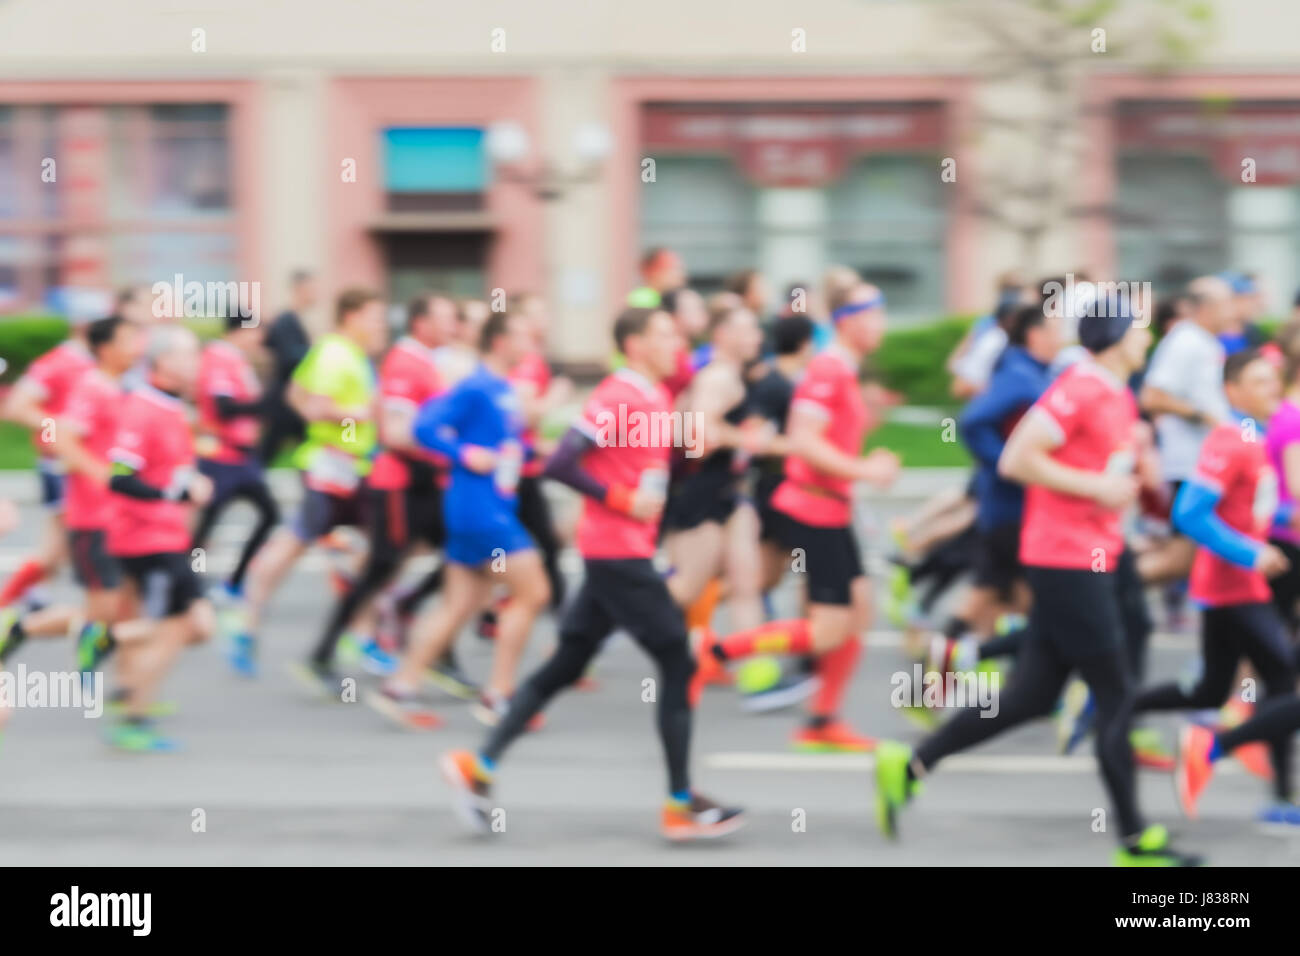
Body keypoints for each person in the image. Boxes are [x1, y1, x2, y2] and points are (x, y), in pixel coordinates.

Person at [874, 300, 1202, 866]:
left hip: (1098, 553)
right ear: (1118, 336)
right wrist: (1094, 488)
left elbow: (1111, 475)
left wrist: (1127, 502)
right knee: (1116, 693)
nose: (1147, 340)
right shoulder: (1081, 386)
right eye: (1141, 331)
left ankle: (910, 764)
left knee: (1032, 696)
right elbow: (1019, 459)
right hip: (1066, 560)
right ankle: (1133, 840)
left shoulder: (1118, 393)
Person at [439, 305, 745, 840]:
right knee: (678, 657)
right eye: (664, 333)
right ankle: (679, 803)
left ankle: (478, 767)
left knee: (566, 662)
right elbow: (562, 462)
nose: (676, 340)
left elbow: (655, 461)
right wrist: (619, 498)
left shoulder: (654, 396)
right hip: (614, 551)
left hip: (625, 549)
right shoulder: (619, 393)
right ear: (635, 344)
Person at [693, 282, 900, 752]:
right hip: (811, 508)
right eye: (875, 314)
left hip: (829, 505)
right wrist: (866, 469)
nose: (882, 324)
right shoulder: (828, 368)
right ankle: (717, 652)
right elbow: (805, 439)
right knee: (827, 626)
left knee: (858, 608)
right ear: (847, 320)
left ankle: (823, 719)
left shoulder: (840, 369)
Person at [1134, 348, 1298, 826]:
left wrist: (1283, 520)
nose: (1273, 389)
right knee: (1284, 685)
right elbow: (1188, 512)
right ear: (1234, 391)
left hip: (1239, 586)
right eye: (1261, 381)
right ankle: (1220, 753)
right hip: (1234, 586)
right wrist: (1250, 552)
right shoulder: (1232, 440)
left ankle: (1115, 706)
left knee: (1211, 691)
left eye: (1275, 379)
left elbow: (1251, 507)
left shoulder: (1255, 436)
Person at [367, 310, 550, 726]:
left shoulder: (502, 387)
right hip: (478, 507)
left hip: (486, 505)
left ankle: (402, 685)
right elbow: (424, 426)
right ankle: (499, 695)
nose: (532, 342)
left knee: (460, 603)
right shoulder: (477, 385)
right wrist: (463, 454)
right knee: (534, 591)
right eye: (524, 334)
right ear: (500, 342)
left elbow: (500, 441)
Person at [302, 293, 459, 688]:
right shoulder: (406, 362)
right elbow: (394, 431)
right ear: (420, 323)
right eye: (444, 319)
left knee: (463, 559)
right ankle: (323, 653)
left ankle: (429, 639)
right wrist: (453, 447)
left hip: (426, 483)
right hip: (401, 485)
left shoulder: (427, 362)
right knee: (380, 569)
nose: (452, 326)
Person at [230, 288, 385, 679]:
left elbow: (294, 393)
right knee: (295, 546)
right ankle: (247, 624)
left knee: (379, 549)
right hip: (332, 468)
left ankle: (359, 633)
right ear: (351, 316)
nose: (380, 325)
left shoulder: (345, 352)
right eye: (374, 316)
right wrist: (360, 413)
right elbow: (315, 405)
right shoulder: (335, 354)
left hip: (353, 467)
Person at [102, 325, 216, 751]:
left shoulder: (173, 407)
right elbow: (119, 478)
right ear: (163, 361)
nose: (198, 363)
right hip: (144, 538)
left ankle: (119, 663)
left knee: (193, 627)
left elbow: (171, 469)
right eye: (189, 355)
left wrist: (191, 485)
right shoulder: (143, 408)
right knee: (183, 624)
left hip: (167, 535)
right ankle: (134, 715)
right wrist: (174, 493)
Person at [1137, 275, 1234, 614]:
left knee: (1194, 557)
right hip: (1189, 466)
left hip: (1204, 466)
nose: (1233, 311)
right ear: (1205, 307)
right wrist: (1200, 414)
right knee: (1182, 558)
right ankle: (1112, 588)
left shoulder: (1205, 342)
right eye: (1227, 304)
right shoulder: (1186, 341)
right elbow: (1151, 396)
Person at [0, 311, 96, 608]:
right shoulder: (57, 363)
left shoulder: (92, 363)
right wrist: (57, 432)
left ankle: (32, 595)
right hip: (60, 464)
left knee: (61, 545)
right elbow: (17, 407)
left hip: (80, 463)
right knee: (65, 544)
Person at [191, 309, 279, 603]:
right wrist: (266, 406)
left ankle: (234, 581)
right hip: (221, 455)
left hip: (244, 457)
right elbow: (224, 407)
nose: (260, 338)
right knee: (206, 525)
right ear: (238, 330)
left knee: (270, 514)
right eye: (255, 331)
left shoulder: (238, 360)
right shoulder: (218, 356)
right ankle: (192, 582)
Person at [257, 270, 317, 464]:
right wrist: (314, 353)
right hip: (284, 398)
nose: (315, 293)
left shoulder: (296, 320)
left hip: (293, 396)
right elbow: (287, 357)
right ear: (299, 289)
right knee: (268, 450)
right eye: (311, 289)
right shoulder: (285, 320)